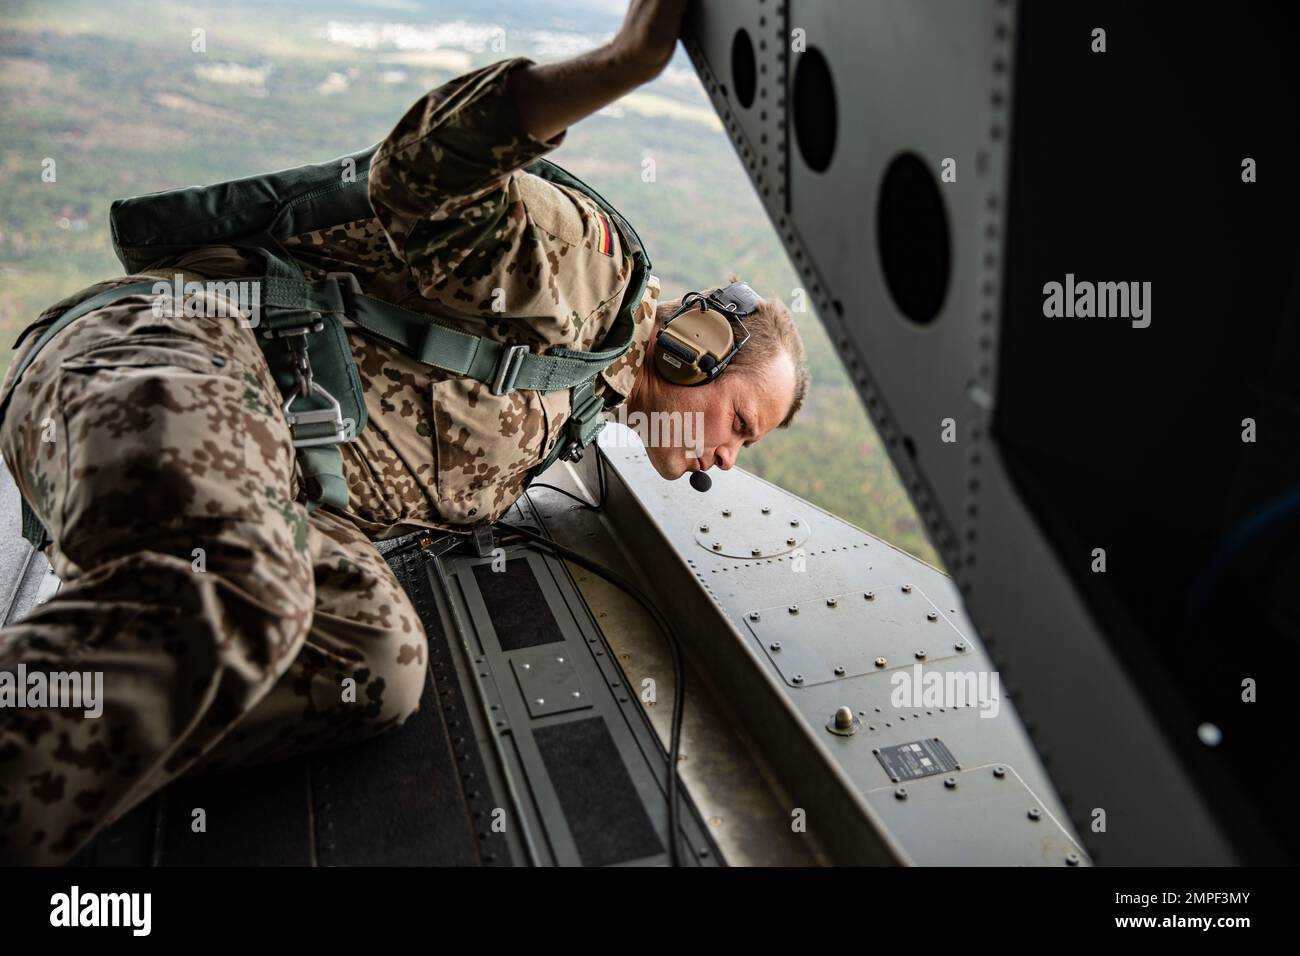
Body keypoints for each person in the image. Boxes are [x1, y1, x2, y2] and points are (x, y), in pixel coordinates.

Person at [0, 0, 808, 864]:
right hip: (182, 345)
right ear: (697, 349)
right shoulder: (591, 278)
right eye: (739, 426)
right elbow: (417, 179)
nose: (722, 460)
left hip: (269, 477)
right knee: (247, 588)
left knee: (375, 665)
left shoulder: (580, 407)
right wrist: (618, 67)